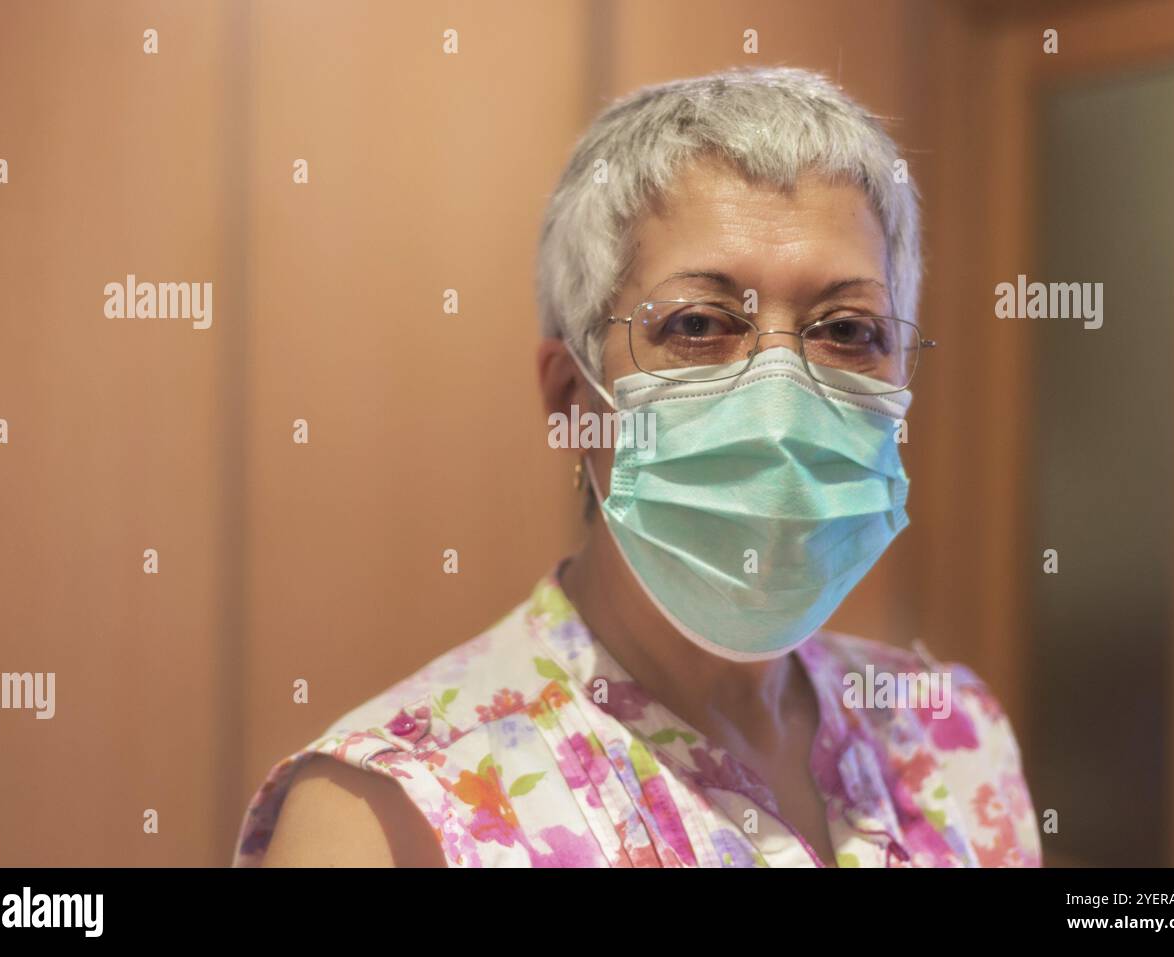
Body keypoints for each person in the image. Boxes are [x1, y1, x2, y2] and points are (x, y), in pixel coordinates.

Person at [233, 65, 1042, 868]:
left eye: (848, 329)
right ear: (570, 400)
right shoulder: (394, 816)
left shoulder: (947, 734)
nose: (780, 402)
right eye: (699, 321)